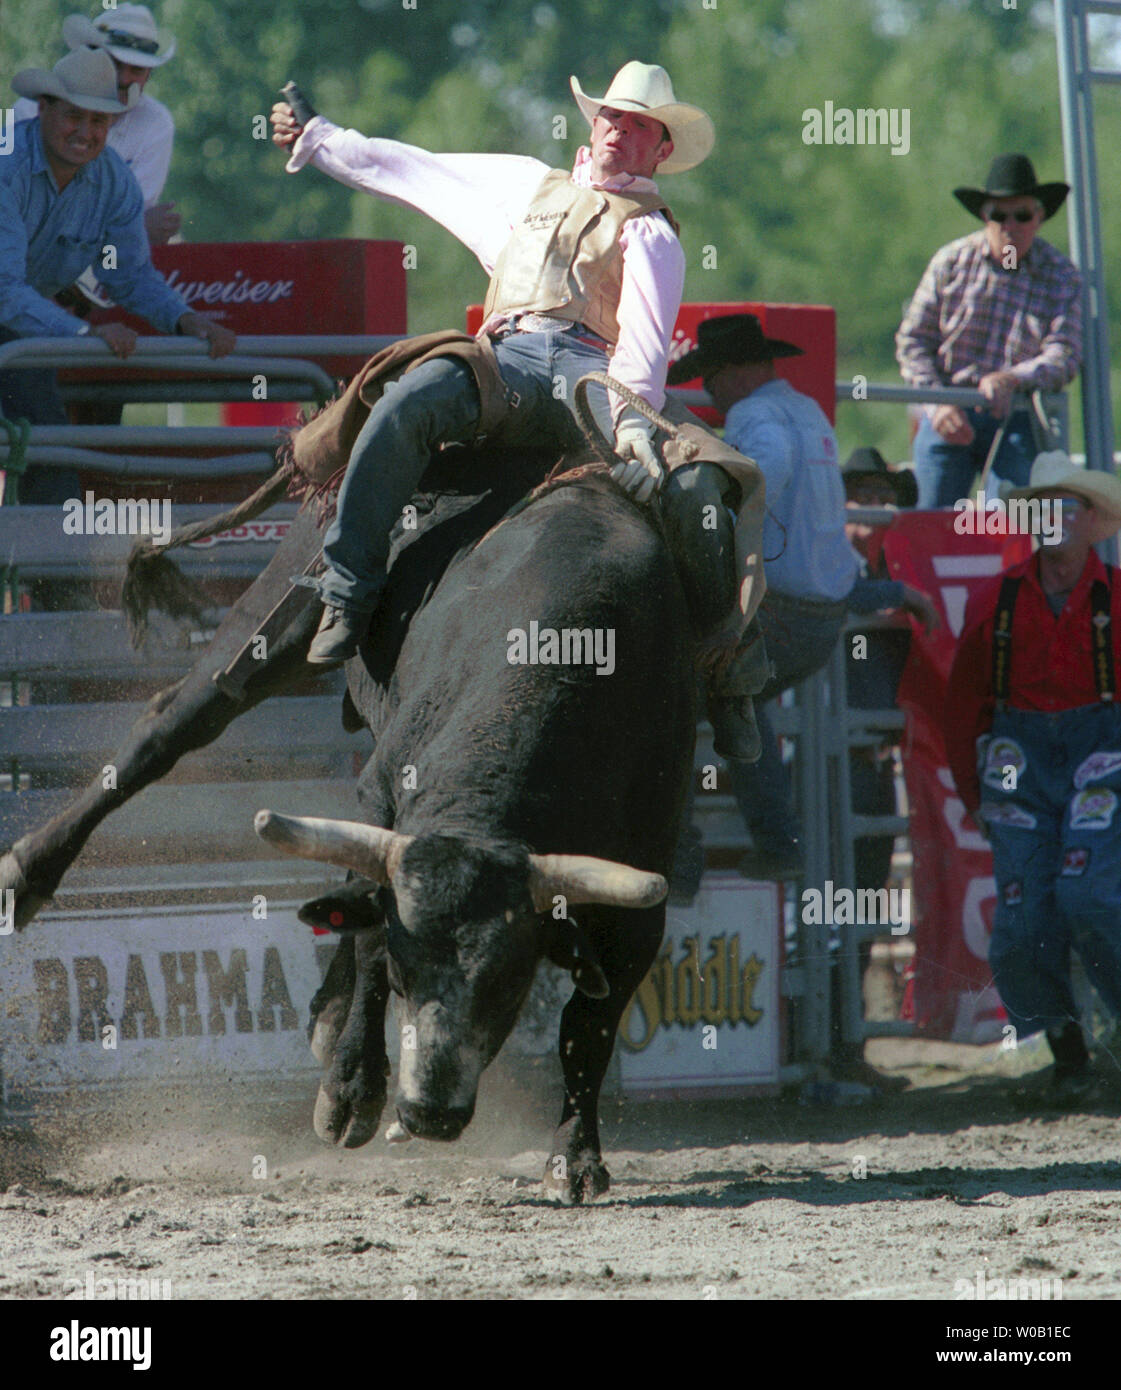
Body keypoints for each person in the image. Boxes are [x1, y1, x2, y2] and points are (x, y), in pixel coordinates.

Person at [270, 63, 763, 753]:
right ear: (593, 125)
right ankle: (348, 591)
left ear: (661, 149)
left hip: (596, 378)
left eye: (639, 125)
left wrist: (632, 426)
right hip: (508, 360)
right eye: (612, 117)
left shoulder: (652, 233)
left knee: (698, 486)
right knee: (404, 402)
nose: (620, 130)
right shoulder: (524, 184)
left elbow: (646, 344)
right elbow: (413, 169)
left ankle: (729, 674)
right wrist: (319, 137)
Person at [945, 451, 1121, 1104]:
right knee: (1020, 924)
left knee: (1089, 897)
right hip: (1018, 768)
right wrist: (974, 793)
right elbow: (963, 705)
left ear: (1088, 519)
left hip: (1102, 760)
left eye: (1066, 505)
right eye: (1043, 506)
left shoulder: (1116, 597)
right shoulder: (996, 599)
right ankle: (1066, 1050)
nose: (1054, 518)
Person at [667, 314, 860, 879]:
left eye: (713, 376)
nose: (709, 390)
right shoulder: (808, 411)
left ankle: (678, 858)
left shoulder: (755, 414)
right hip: (820, 616)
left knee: (678, 693)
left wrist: (712, 513)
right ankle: (778, 845)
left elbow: (764, 470)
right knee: (741, 697)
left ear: (741, 371)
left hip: (784, 613)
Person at [0, 48, 235, 502]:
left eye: (99, 121)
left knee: (51, 443)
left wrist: (186, 319)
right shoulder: (4, 166)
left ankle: (48, 568)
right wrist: (85, 331)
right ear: (44, 108)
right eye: (74, 117)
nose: (85, 133)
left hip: (19, 332)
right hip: (20, 323)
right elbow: (5, 291)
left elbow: (129, 275)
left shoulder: (114, 181)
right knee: (46, 436)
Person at [896, 154, 1082, 509]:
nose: (1010, 225)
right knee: (932, 522)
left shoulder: (1060, 275)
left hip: (1017, 414)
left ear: (1039, 217)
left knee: (1012, 524)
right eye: (1000, 215)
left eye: (1022, 215)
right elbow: (913, 340)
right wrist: (937, 403)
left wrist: (1011, 378)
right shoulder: (951, 262)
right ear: (985, 217)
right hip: (949, 408)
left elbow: (1066, 353)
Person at [15, 6, 180, 247]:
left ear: (149, 75)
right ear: (87, 57)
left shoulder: (156, 123)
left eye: (136, 69)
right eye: (114, 63)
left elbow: (131, 217)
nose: (124, 79)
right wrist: (136, 228)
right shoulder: (29, 111)